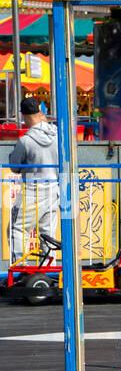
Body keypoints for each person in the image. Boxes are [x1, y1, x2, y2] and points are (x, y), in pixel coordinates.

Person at [9, 95, 59, 262]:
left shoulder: (25, 141)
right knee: (48, 234)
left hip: (32, 190)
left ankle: (20, 267)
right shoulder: (57, 135)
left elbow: (15, 167)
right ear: (40, 112)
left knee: (17, 229)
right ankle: (47, 270)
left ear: (23, 116)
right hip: (54, 188)